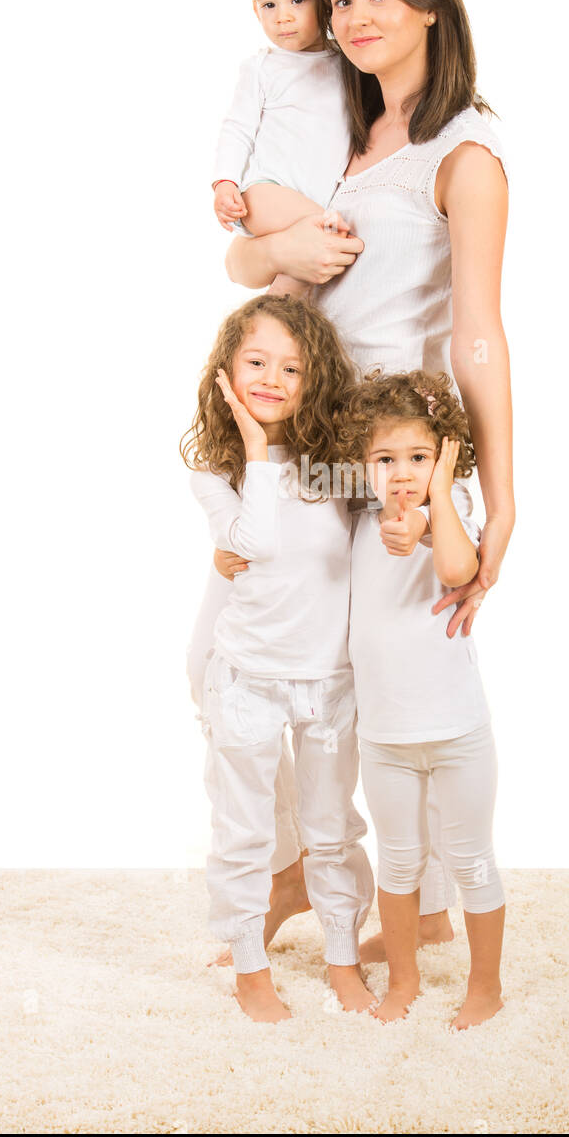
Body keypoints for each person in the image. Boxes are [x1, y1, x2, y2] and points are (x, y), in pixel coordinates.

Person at [222, 0, 514, 965]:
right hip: (309, 444)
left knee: (382, 680)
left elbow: (477, 332)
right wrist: (276, 243)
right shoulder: (344, 139)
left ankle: (398, 891)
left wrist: (499, 499)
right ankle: (326, 866)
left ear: (432, 2)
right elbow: (247, 264)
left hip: (393, 454)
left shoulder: (464, 151)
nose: (351, 15)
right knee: (252, 659)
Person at [181, 293, 375, 1022]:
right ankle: (251, 973)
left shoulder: (331, 472)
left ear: (314, 379)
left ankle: (342, 956)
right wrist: (257, 454)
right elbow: (253, 544)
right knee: (244, 829)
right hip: (246, 680)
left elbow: (398, 498)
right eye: (256, 362)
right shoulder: (218, 473)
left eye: (291, 368)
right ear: (227, 371)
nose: (272, 378)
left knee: (332, 828)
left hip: (327, 683)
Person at [340, 369, 505, 1029]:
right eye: (385, 459)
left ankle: (485, 986)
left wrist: (435, 500)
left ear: (442, 457)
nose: (401, 473)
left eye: (418, 456)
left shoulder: (451, 511)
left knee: (468, 857)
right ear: (361, 463)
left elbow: (458, 570)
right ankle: (403, 979)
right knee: (399, 859)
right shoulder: (357, 520)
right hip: (384, 737)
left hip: (457, 730)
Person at [211, 0, 350, 298]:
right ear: (255, 10)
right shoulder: (262, 69)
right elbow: (237, 129)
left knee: (300, 276)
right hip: (264, 195)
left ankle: (271, 326)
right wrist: (224, 182)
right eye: (269, 5)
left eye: (297, 1)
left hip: (316, 203)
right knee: (331, 237)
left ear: (324, 1)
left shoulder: (347, 64)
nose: (283, 17)